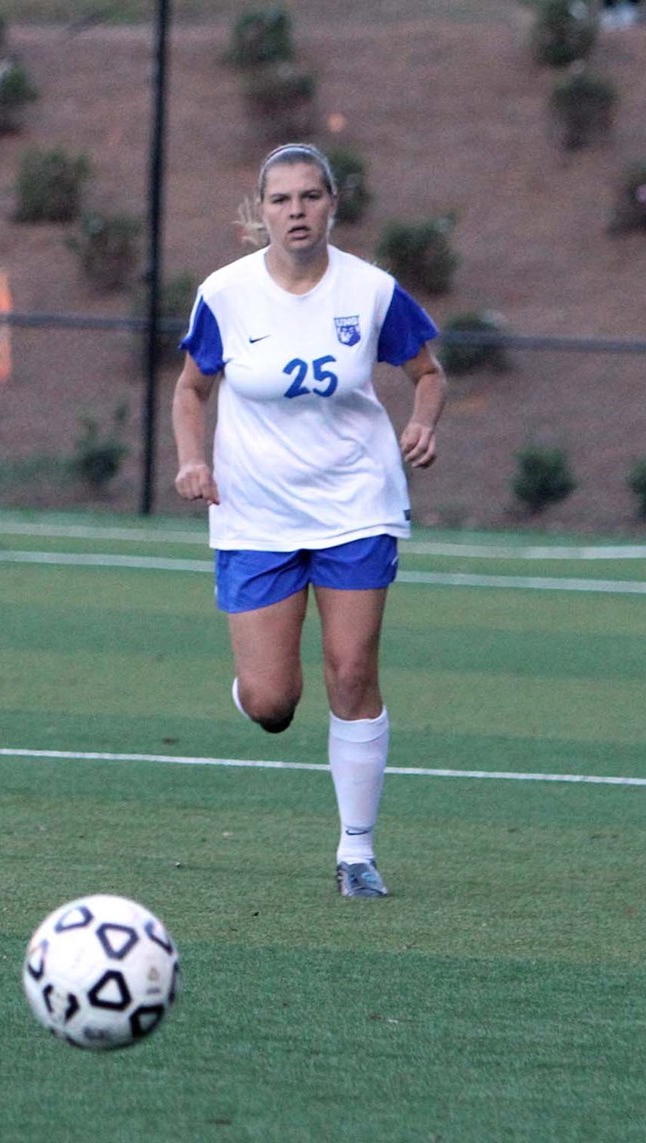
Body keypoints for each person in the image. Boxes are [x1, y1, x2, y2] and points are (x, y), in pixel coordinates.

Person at [171, 143, 446, 899]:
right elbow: (191, 389)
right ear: (260, 211)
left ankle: (357, 853)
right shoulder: (225, 294)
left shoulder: (372, 292)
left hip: (356, 502)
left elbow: (427, 373)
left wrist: (423, 421)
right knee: (272, 703)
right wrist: (192, 460)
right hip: (256, 511)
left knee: (351, 671)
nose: (296, 211)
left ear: (332, 204)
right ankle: (255, 689)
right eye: (281, 199)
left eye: (310, 196)